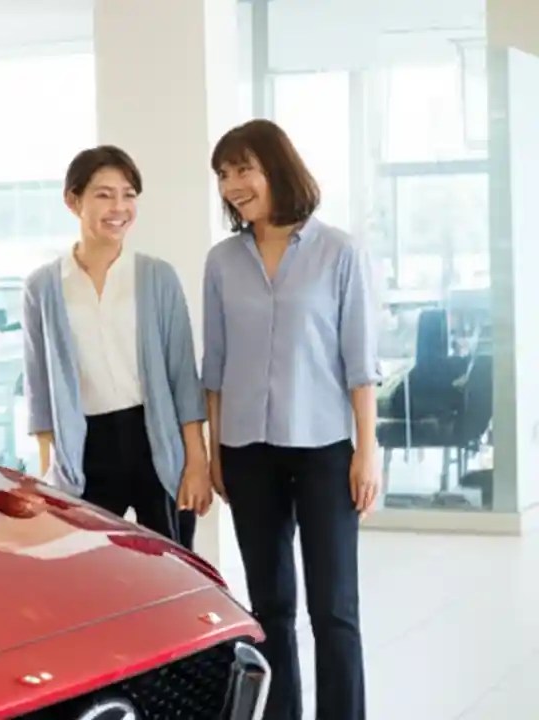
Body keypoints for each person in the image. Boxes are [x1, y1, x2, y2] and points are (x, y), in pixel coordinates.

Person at [202, 119, 380, 720]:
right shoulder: (222, 261)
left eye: (242, 169)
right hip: (248, 449)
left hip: (325, 445)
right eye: (224, 175)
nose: (232, 185)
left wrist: (367, 449)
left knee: (333, 609)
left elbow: (360, 361)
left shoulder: (339, 251)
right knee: (269, 606)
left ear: (277, 167)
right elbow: (216, 366)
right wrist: (217, 453)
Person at [22, 145, 212, 550]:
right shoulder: (43, 287)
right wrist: (47, 473)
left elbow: (182, 376)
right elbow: (40, 389)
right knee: (89, 569)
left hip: (154, 438)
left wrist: (196, 462)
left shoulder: (157, 277)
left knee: (170, 568)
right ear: (73, 201)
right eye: (104, 194)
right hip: (86, 446)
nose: (119, 207)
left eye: (128, 194)